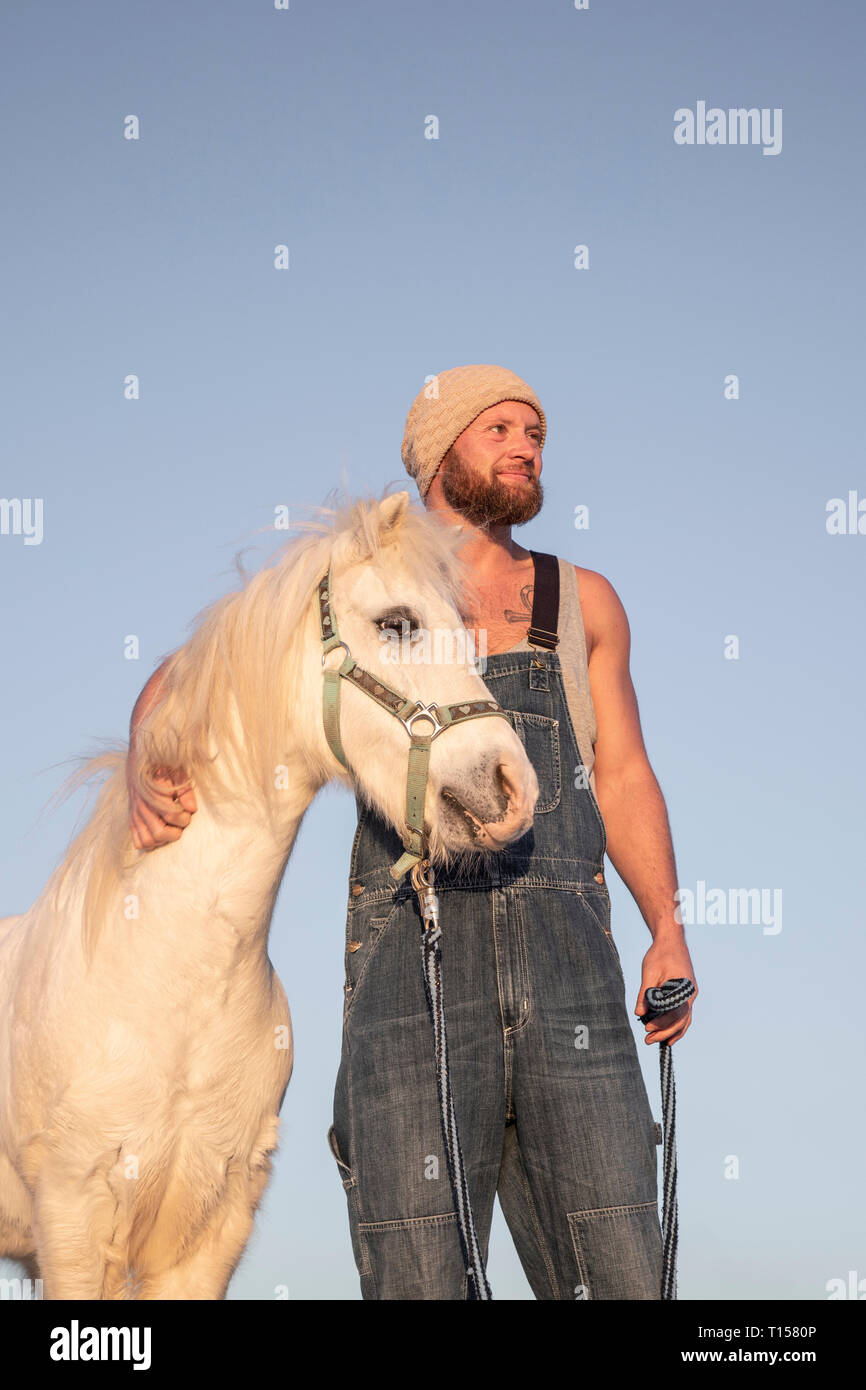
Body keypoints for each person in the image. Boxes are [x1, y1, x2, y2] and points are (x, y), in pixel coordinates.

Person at [126, 363, 698, 1301]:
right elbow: (201, 661)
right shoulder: (361, 583)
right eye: (501, 429)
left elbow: (624, 772)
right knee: (417, 1270)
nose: (526, 447)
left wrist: (665, 927)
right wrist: (145, 759)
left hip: (572, 976)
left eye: (536, 433)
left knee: (625, 1269)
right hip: (411, 958)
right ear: (439, 455)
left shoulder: (580, 599)